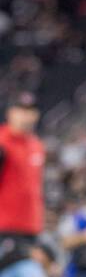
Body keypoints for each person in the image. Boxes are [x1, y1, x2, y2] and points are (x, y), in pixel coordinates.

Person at [0, 92, 45, 243]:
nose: (25, 116)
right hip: (4, 225)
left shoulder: (37, 145)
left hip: (31, 225)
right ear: (10, 112)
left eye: (30, 111)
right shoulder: (2, 142)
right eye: (21, 110)